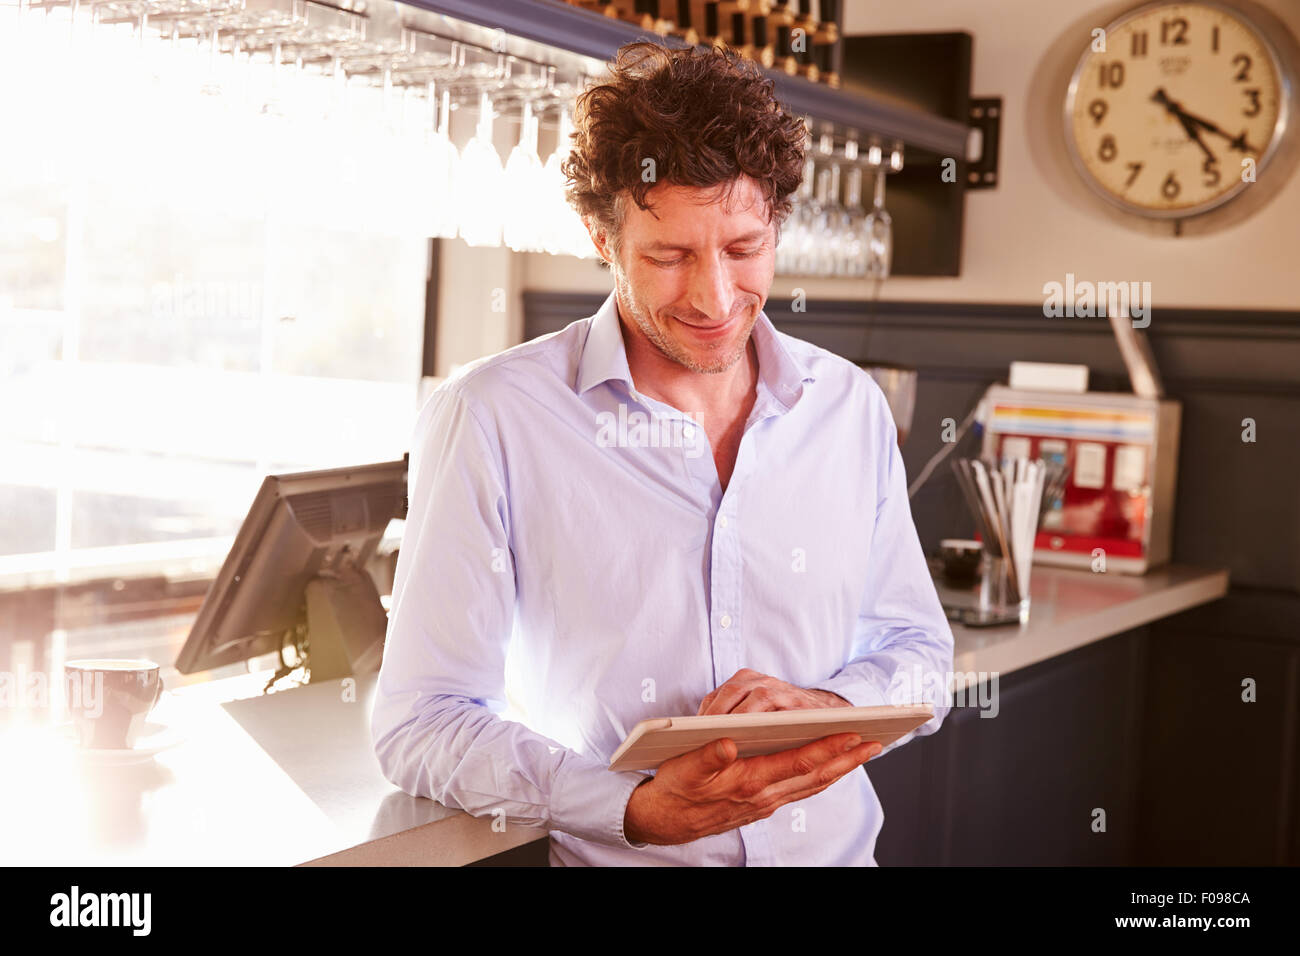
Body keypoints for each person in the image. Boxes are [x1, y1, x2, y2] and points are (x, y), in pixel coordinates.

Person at [370, 40, 954, 866]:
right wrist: (631, 809)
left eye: (745, 249)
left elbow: (921, 656)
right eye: (670, 256)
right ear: (600, 237)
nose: (715, 299)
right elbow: (420, 721)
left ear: (777, 223)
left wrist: (825, 702)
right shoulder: (493, 416)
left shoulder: (849, 407)